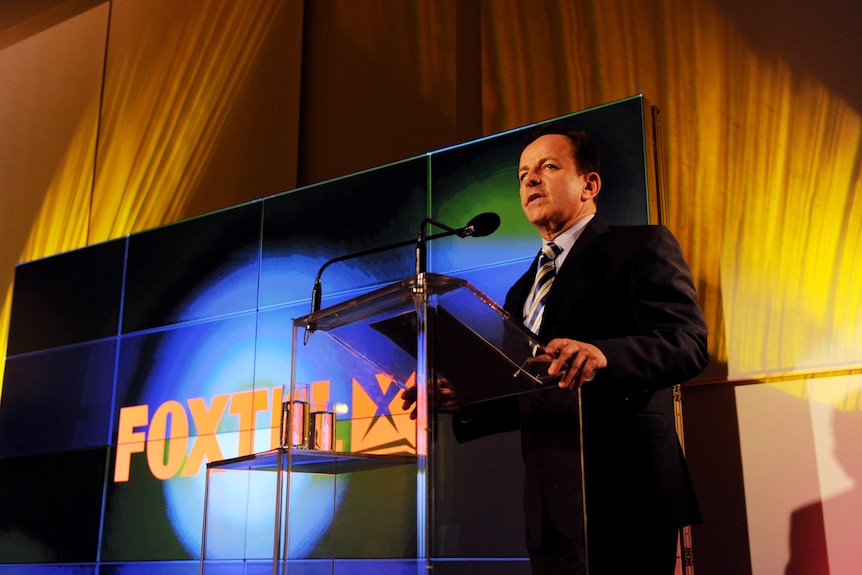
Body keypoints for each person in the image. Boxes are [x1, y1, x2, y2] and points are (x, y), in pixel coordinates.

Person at [411, 123, 709, 574]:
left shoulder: (641, 246)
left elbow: (687, 343)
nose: (530, 179)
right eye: (523, 173)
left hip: (627, 491)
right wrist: (465, 398)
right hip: (550, 504)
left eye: (548, 167)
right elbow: (529, 388)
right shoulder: (520, 292)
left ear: (589, 184)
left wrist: (603, 355)